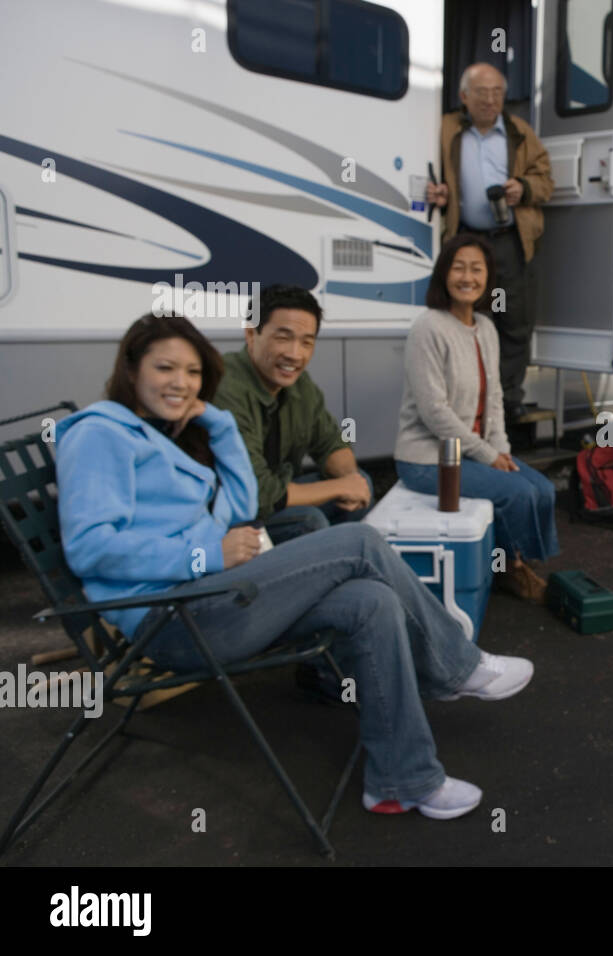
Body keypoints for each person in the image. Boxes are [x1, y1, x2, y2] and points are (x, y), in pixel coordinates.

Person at [56, 314, 534, 821]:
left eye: (193, 373)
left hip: (212, 596)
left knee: (371, 602)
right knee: (360, 541)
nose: (181, 382)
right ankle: (457, 665)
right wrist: (205, 555)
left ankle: (401, 780)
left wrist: (217, 424)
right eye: (165, 368)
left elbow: (242, 510)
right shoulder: (100, 436)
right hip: (173, 619)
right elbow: (90, 547)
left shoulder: (164, 433)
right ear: (131, 370)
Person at [395, 233, 559, 601]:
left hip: (474, 450)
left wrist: (500, 448)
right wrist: (488, 456)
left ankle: (508, 562)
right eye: (459, 268)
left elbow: (496, 396)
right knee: (518, 494)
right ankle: (512, 568)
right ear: (443, 275)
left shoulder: (486, 327)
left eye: (477, 269)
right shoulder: (428, 327)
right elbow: (434, 411)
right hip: (428, 458)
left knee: (544, 490)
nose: (467, 277)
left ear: (488, 278)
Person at [426, 63, 554, 424]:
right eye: (481, 92)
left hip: (509, 242)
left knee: (514, 322)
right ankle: (468, 399)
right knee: (467, 319)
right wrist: (437, 190)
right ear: (464, 96)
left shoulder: (518, 132)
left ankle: (508, 399)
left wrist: (523, 189)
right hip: (466, 238)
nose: (490, 100)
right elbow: (426, 168)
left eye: (497, 92)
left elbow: (546, 181)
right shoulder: (446, 128)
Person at [212, 285, 372, 544]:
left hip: (275, 498)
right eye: (283, 338)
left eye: (306, 342)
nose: (295, 354)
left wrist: (348, 480)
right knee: (308, 522)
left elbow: (331, 443)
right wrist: (340, 487)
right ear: (251, 334)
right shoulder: (226, 387)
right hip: (232, 513)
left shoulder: (300, 385)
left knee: (361, 483)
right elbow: (257, 492)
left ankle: (331, 558)